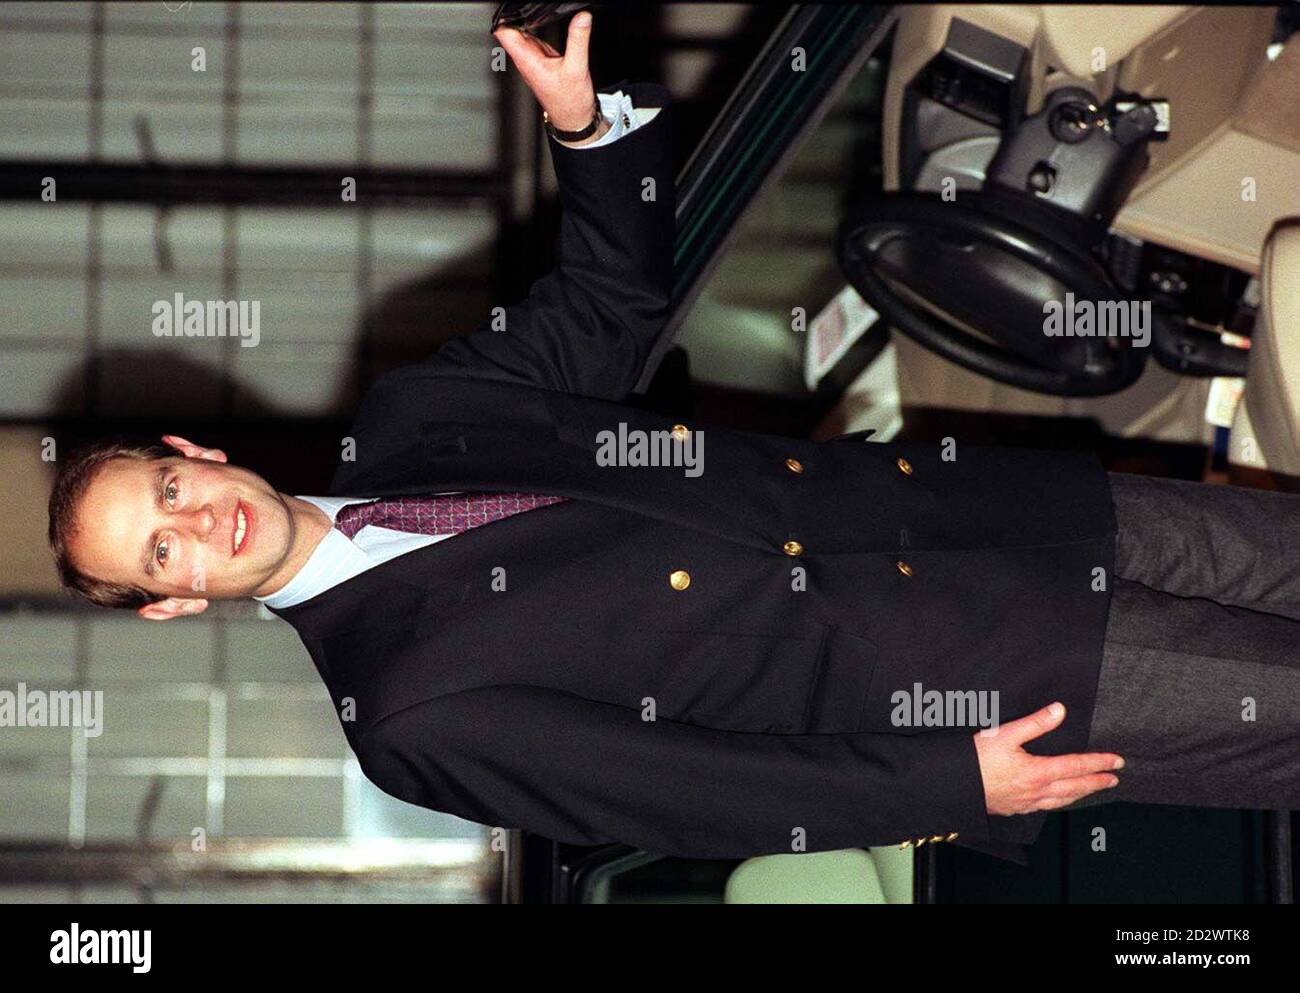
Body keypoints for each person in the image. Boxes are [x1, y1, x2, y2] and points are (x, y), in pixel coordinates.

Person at [45, 13, 1298, 866]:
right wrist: (943, 788)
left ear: (190, 452)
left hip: (1014, 512)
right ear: (172, 605)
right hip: (1001, 677)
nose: (197, 524)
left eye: (168, 489)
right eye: (162, 554)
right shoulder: (407, 716)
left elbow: (607, 303)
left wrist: (590, 135)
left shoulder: (412, 420)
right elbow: (691, 792)